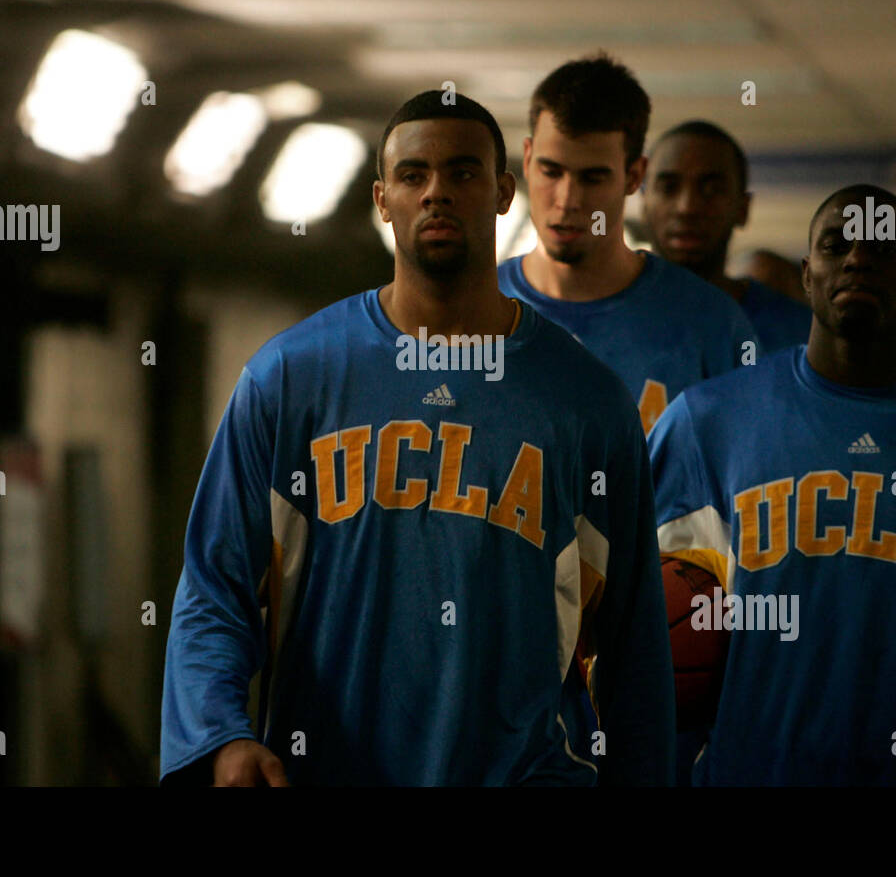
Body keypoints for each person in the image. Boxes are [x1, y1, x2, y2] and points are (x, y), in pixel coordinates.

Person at [160, 90, 675, 786]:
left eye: (463, 173)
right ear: (382, 198)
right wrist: (221, 734)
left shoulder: (586, 402)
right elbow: (214, 589)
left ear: (501, 192)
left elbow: (636, 644)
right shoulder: (289, 380)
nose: (437, 193)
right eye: (413, 175)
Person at [646, 184, 896, 785]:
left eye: (884, 247)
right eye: (837, 246)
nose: (859, 258)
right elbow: (639, 640)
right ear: (808, 275)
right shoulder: (705, 423)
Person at [498, 55, 758, 438]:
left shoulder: (710, 324)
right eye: (551, 171)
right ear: (528, 157)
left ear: (634, 175)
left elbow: (744, 480)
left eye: (593, 177)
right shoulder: (473, 309)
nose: (567, 199)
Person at [644, 120, 812, 350]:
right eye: (668, 188)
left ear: (743, 209)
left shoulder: (800, 335)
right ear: (643, 203)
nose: (687, 207)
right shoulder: (600, 321)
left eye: (711, 190)